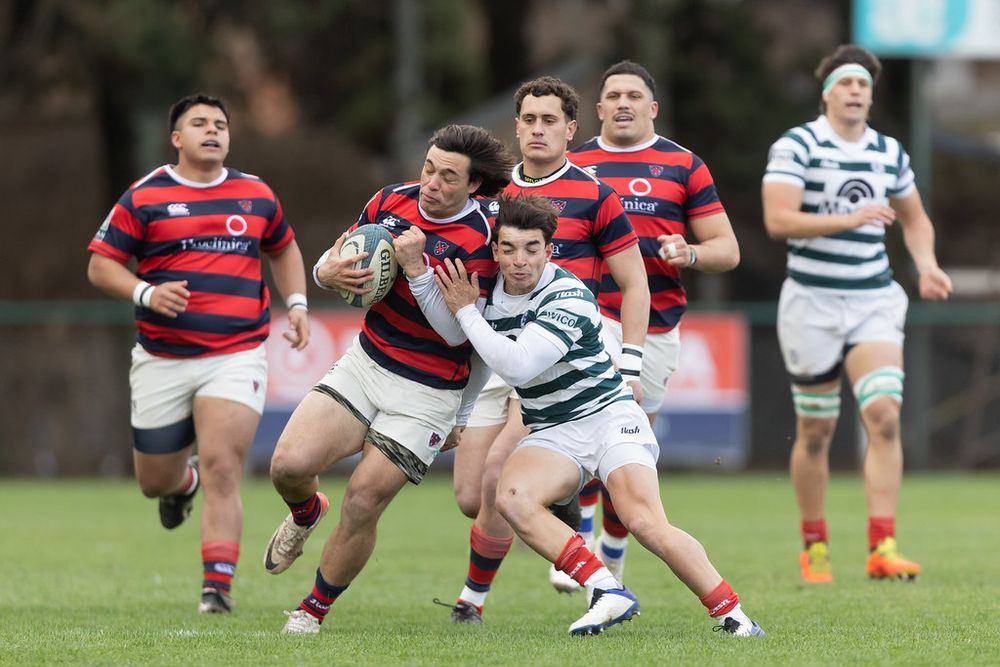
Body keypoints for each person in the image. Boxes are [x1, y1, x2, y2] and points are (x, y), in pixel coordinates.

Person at [425, 194, 763, 637]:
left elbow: (517, 365)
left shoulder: (567, 293)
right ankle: (607, 589)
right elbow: (468, 346)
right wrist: (418, 275)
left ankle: (733, 616)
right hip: (552, 430)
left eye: (531, 249)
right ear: (495, 250)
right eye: (508, 248)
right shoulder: (487, 295)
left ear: (550, 250)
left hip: (608, 417)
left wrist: (466, 311)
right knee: (511, 497)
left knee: (645, 524)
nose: (519, 261)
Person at [267, 124, 515, 635]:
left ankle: (311, 610)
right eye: (429, 168)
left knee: (363, 500)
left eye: (449, 177)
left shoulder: (484, 241)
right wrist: (325, 275)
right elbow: (339, 258)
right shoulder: (389, 200)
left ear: (474, 186)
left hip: (428, 392)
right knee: (288, 466)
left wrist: (418, 271)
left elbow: (458, 335)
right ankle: (306, 510)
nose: (432, 183)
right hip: (367, 362)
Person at [86, 93, 311, 614]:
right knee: (154, 480)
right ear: (176, 138)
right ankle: (178, 485)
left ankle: (217, 588)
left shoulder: (255, 194)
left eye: (220, 124)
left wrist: (295, 303)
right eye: (199, 123)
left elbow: (283, 247)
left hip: (235, 353)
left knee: (223, 467)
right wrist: (145, 292)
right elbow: (100, 265)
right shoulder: (145, 196)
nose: (212, 130)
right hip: (162, 358)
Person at [442, 75, 651, 622]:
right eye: (529, 120)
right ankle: (561, 506)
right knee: (472, 494)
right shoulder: (489, 196)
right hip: (494, 348)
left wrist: (629, 361)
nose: (538, 129)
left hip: (554, 354)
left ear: (571, 129)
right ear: (516, 125)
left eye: (550, 120)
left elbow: (634, 283)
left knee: (498, 478)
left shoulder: (597, 194)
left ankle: (473, 600)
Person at [761, 44, 952, 584]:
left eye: (863, 85)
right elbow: (778, 219)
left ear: (870, 95)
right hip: (811, 303)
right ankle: (814, 544)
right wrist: (850, 219)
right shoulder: (797, 145)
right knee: (817, 428)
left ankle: (882, 546)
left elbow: (914, 219)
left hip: (872, 298)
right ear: (827, 92)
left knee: (885, 416)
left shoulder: (889, 152)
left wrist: (927, 264)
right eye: (846, 83)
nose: (855, 92)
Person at [565, 59, 740, 589]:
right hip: (586, 313)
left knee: (629, 443)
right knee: (586, 423)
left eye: (634, 95)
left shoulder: (683, 165)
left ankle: (612, 552)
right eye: (613, 95)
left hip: (657, 321)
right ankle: (586, 528)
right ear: (597, 110)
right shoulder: (572, 165)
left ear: (652, 107)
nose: (623, 103)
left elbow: (727, 250)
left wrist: (688, 253)